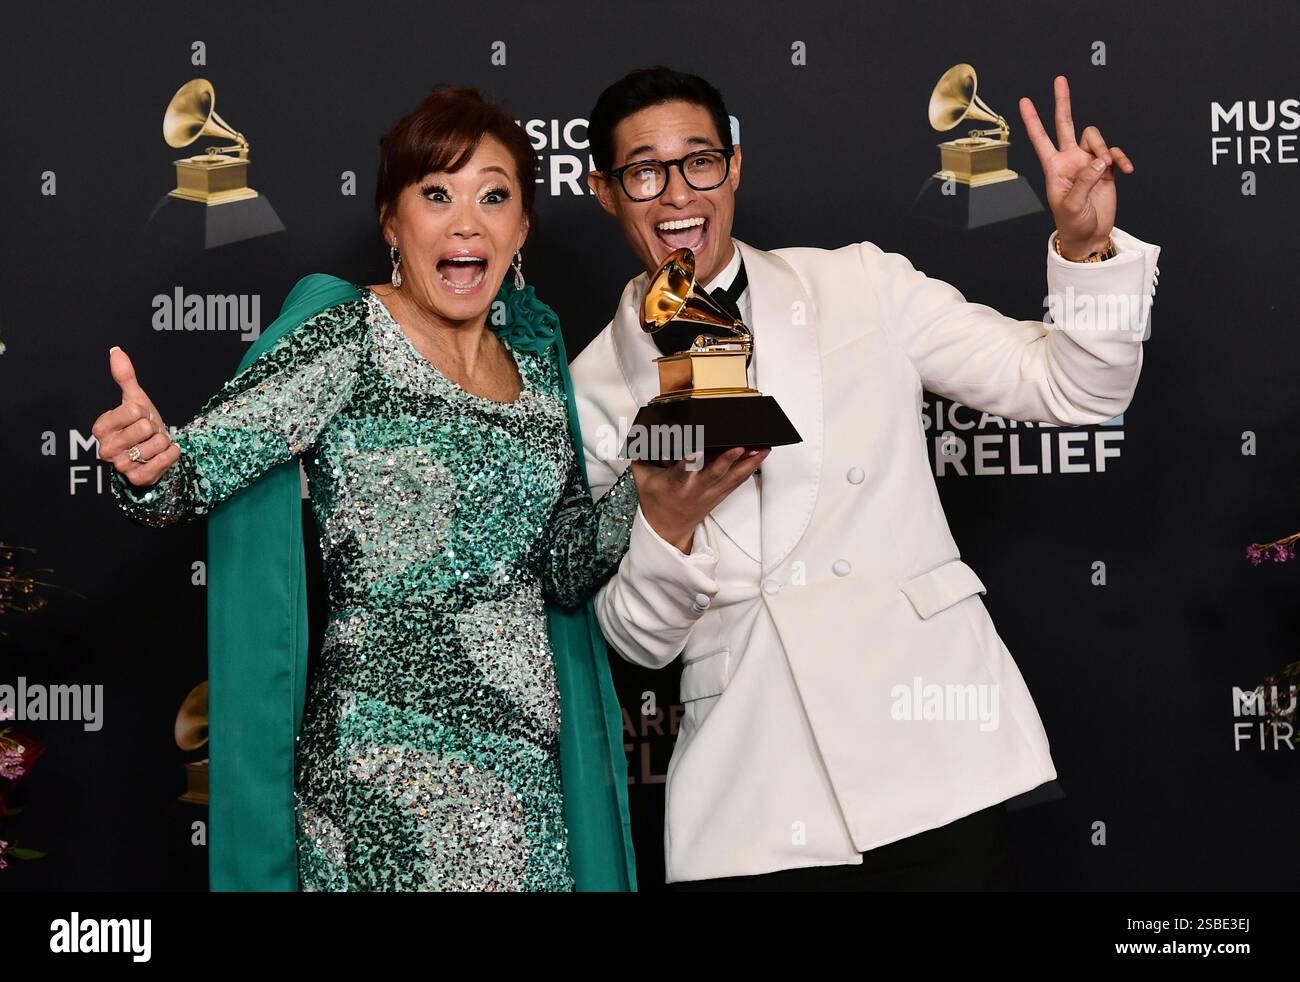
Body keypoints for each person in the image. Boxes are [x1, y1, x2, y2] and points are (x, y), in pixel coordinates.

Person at [93, 84, 760, 892]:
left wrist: (647, 499)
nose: (466, 222)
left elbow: (557, 574)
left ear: (520, 230)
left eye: (494, 197)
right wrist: (148, 460)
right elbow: (192, 473)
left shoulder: (541, 375)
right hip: (380, 785)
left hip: (523, 795)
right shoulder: (348, 336)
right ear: (391, 222)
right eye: (436, 194)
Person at [570, 66, 1162, 889]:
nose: (679, 195)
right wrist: (668, 524)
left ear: (734, 164)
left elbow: (1078, 389)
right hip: (755, 796)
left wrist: (1087, 247)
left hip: (932, 753)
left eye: (699, 161)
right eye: (644, 172)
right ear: (604, 190)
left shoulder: (858, 285)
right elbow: (636, 640)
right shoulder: (589, 388)